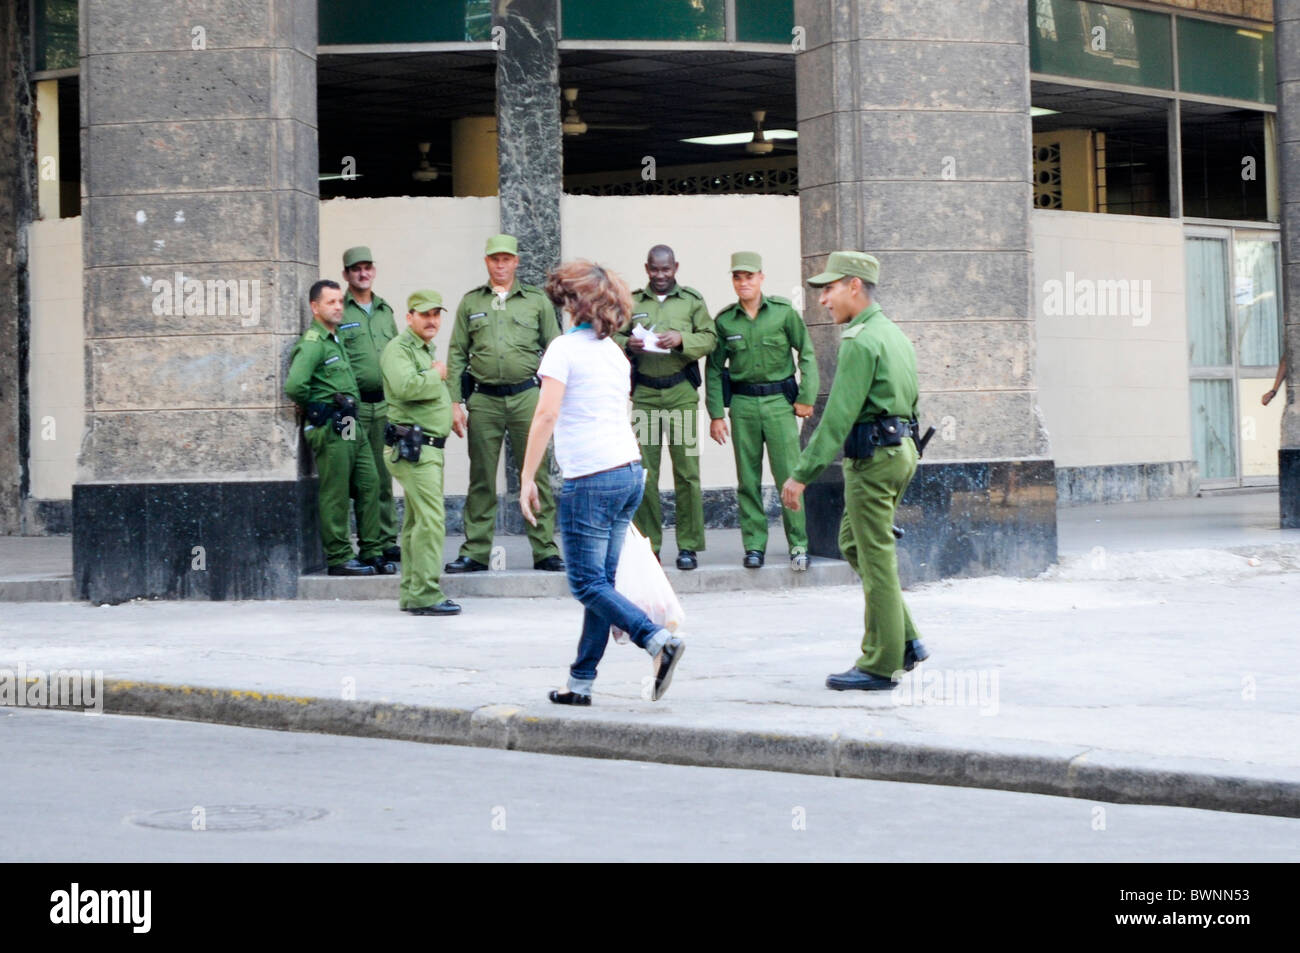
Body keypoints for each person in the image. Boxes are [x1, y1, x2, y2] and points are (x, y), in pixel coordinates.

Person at [520, 261, 685, 706]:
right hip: (628, 471)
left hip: (590, 478)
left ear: (574, 304)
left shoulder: (563, 349)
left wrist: (526, 476)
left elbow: (547, 414)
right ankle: (580, 683)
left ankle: (654, 640)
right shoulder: (614, 351)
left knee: (586, 584)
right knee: (602, 584)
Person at [780, 252, 929, 690]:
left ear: (854, 287)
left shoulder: (861, 340)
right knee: (853, 542)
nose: (823, 299)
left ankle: (881, 664)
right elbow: (914, 401)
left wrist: (801, 473)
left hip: (873, 459)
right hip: (900, 451)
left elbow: (837, 418)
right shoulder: (893, 335)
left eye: (829, 289)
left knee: (876, 557)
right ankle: (906, 639)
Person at [445, 234, 565, 574]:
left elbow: (555, 350)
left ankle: (545, 549)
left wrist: (555, 401)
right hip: (484, 399)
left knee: (537, 473)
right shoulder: (471, 303)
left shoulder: (536, 301)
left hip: (528, 395)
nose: (501, 264)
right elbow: (456, 353)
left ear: (516, 262)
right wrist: (455, 402)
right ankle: (476, 551)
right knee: (481, 476)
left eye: (506, 259)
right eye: (495, 259)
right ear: (486, 261)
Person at [706, 251, 818, 571]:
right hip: (742, 406)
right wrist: (716, 414)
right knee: (748, 479)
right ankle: (754, 545)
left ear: (761, 278)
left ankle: (798, 543)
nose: (744, 283)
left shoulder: (783, 314)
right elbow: (713, 369)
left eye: (749, 276)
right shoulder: (725, 320)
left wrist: (807, 396)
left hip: (778, 404)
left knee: (789, 475)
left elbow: (807, 353)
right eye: (737, 277)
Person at [615, 244, 716, 570]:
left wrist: (682, 339)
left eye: (666, 269)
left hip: (681, 394)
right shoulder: (633, 302)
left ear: (676, 267)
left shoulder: (691, 301)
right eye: (655, 270)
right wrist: (626, 344)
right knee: (645, 474)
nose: (660, 276)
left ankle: (688, 546)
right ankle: (649, 547)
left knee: (687, 473)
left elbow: (710, 338)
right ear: (647, 268)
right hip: (644, 394)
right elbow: (612, 336)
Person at [285, 279, 394, 576]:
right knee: (336, 490)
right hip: (333, 424)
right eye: (330, 302)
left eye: (339, 302)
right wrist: (315, 406)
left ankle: (372, 550)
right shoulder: (313, 343)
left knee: (369, 483)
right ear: (314, 307)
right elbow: (295, 385)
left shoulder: (336, 339)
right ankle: (339, 557)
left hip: (350, 421)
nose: (337, 307)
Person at [379, 290, 460, 616]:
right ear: (409, 316)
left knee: (415, 523)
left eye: (436, 315)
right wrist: (436, 374)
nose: (432, 321)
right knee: (431, 521)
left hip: (427, 449)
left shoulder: (425, 349)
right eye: (425, 314)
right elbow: (405, 387)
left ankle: (412, 593)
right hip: (414, 448)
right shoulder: (398, 349)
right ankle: (426, 594)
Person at [337, 246, 401, 564]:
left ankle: (387, 540)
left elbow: (398, 353)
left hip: (385, 406)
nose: (363, 273)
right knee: (361, 480)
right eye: (355, 269)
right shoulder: (340, 311)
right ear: (346, 274)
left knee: (384, 475)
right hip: (355, 408)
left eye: (367, 267)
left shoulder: (385, 311)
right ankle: (366, 542)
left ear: (374, 270)